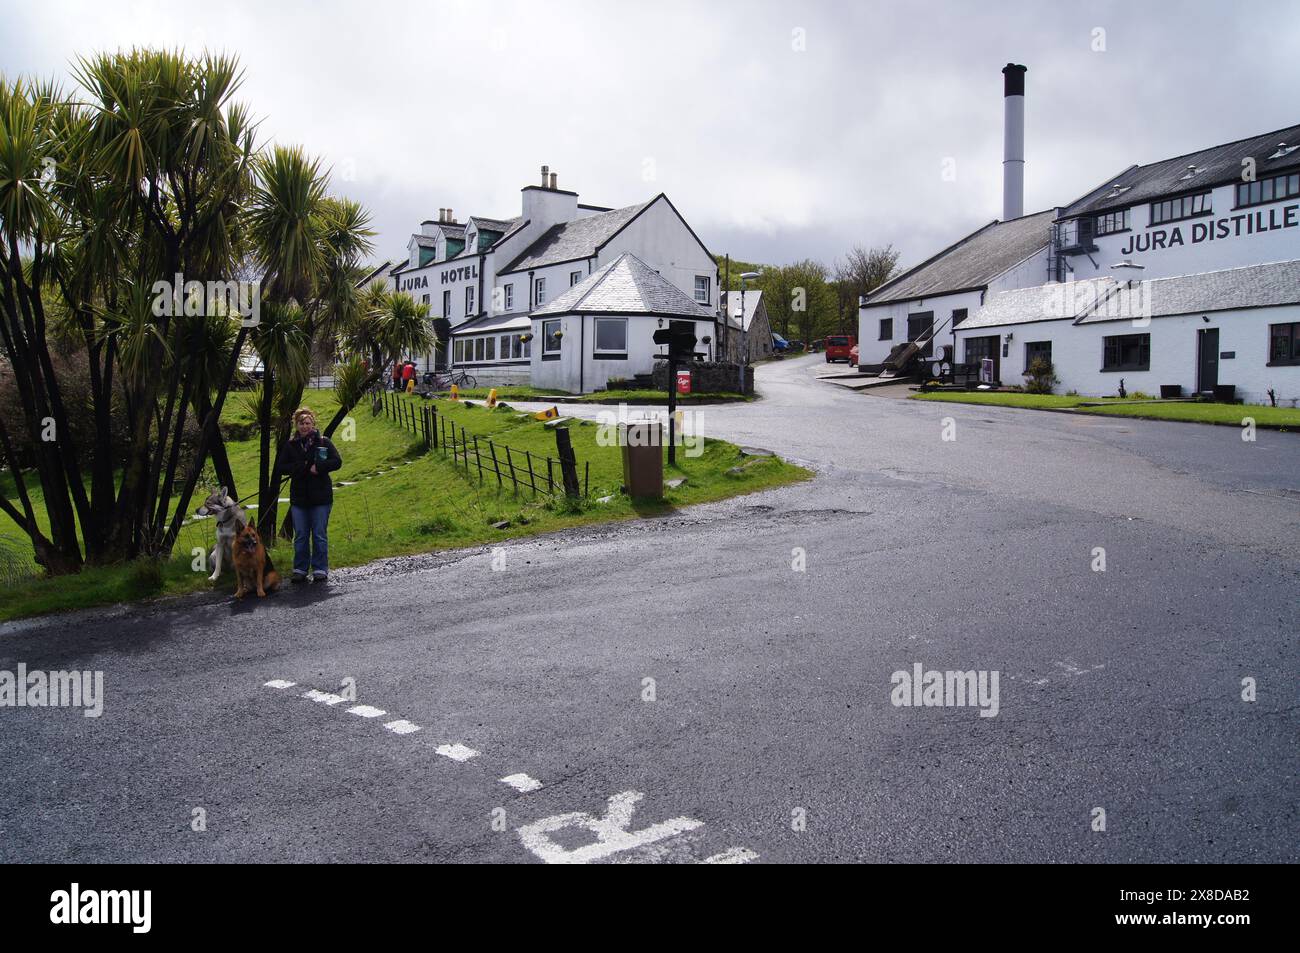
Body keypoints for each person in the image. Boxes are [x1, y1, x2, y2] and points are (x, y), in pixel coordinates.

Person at [275, 407, 342, 583]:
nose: (304, 426)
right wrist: (299, 466)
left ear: (313, 424)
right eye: (301, 423)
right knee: (301, 535)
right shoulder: (290, 445)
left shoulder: (323, 442)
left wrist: (318, 467)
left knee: (319, 534)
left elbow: (337, 462)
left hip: (321, 497)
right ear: (296, 426)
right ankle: (300, 569)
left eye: (307, 423)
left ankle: (320, 569)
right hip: (299, 498)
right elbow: (281, 467)